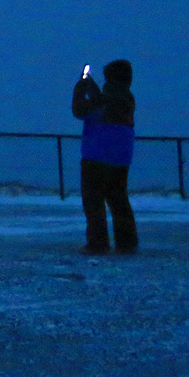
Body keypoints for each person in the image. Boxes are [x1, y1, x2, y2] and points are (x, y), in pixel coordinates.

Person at [72, 59, 138, 255]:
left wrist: (80, 90)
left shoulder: (105, 101)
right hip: (121, 157)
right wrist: (93, 88)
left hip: (97, 155)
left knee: (93, 201)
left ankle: (98, 243)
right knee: (119, 199)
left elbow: (81, 110)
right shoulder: (127, 99)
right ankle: (126, 242)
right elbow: (102, 104)